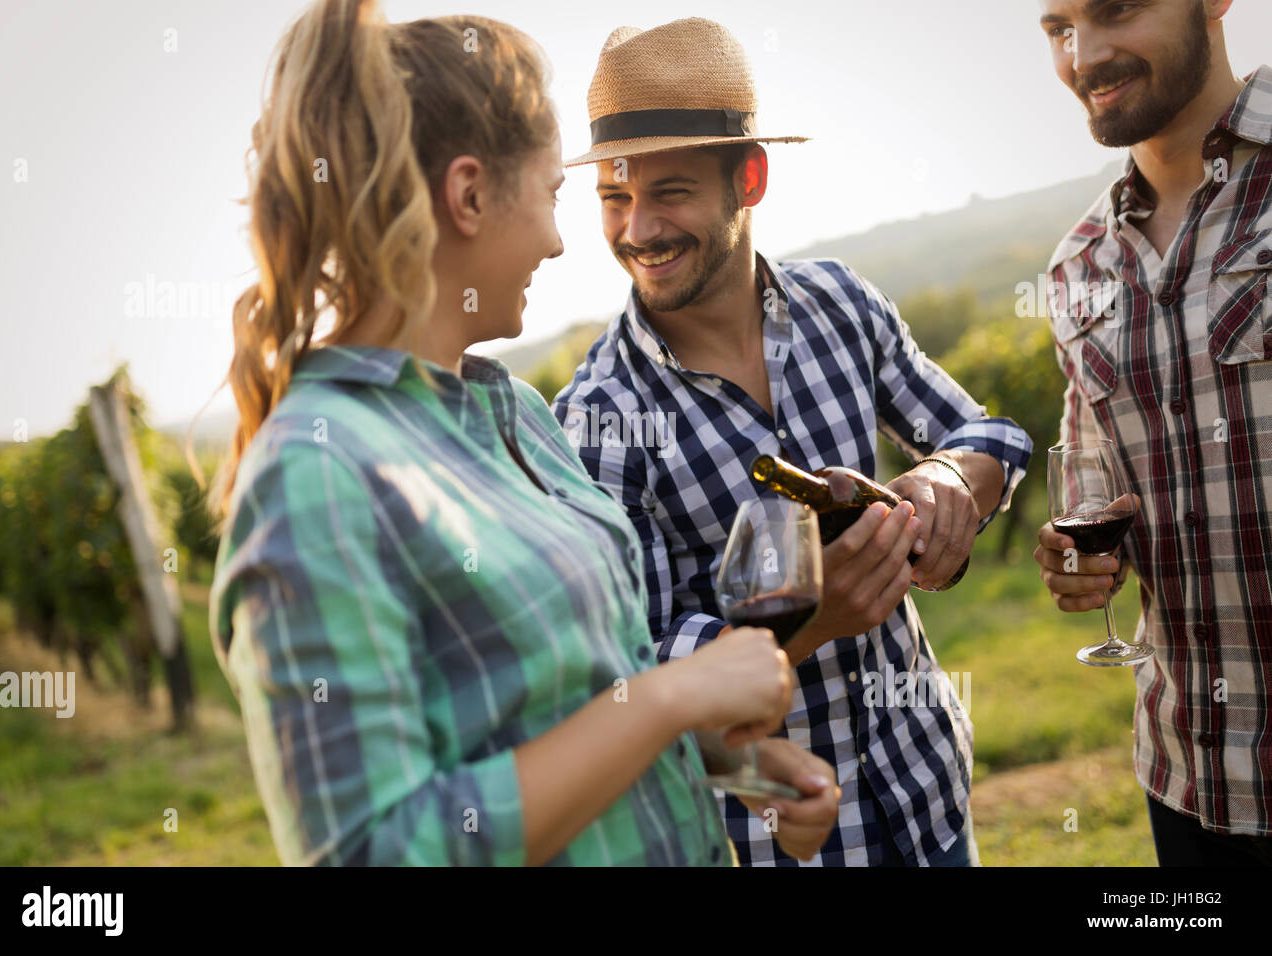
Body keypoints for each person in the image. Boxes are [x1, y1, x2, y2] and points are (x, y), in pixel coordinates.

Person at [206, 0, 839, 867]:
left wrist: (738, 766)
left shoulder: (520, 420)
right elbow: (377, 849)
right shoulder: (317, 473)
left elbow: (569, 714)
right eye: (551, 196)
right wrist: (672, 698)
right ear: (469, 195)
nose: (556, 241)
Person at [553, 18, 1032, 866]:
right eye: (615, 198)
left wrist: (949, 479)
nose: (638, 230)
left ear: (750, 178)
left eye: (670, 192)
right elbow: (632, 670)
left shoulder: (841, 304)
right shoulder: (596, 417)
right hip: (783, 841)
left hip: (930, 795)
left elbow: (981, 430)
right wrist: (812, 623)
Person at [1032, 0, 1272, 866]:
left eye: (1117, 9)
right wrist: (1084, 554)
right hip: (1185, 778)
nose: (1084, 55)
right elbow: (1094, 484)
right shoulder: (1076, 265)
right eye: (1059, 28)